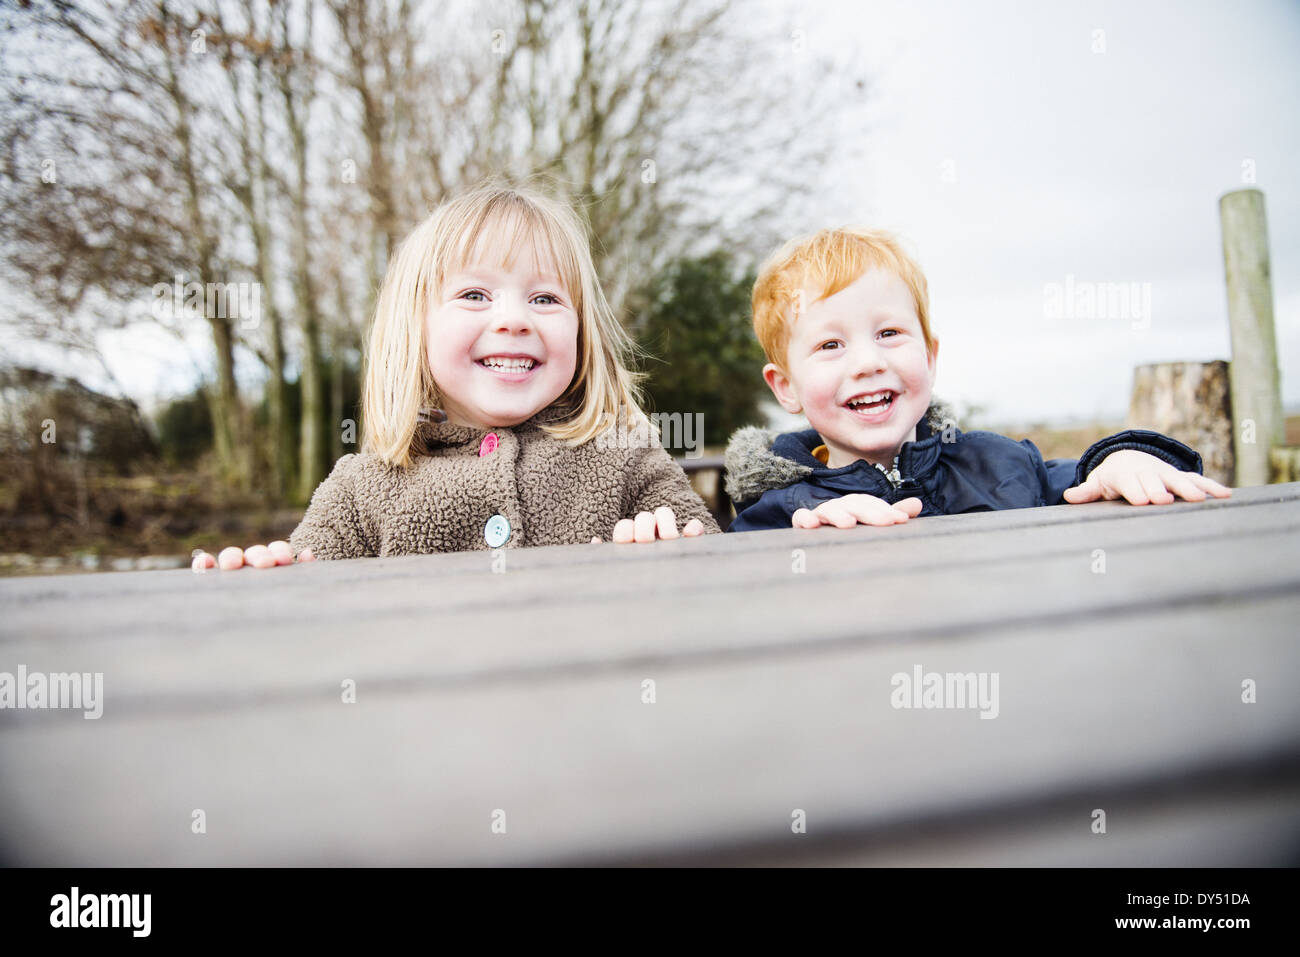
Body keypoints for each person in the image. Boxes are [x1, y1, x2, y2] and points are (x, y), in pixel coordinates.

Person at [194, 182, 717, 570]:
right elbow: (312, 617)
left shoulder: (627, 460)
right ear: (414, 328)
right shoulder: (359, 491)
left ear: (583, 333)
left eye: (545, 298)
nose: (514, 319)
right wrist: (265, 577)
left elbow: (719, 569)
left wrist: (669, 551)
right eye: (474, 295)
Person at [725, 226, 1231, 532]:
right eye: (830, 345)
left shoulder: (998, 465)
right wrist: (806, 530)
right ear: (785, 386)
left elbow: (1078, 478)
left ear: (929, 355)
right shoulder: (780, 510)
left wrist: (1122, 459)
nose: (865, 363)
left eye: (889, 332)